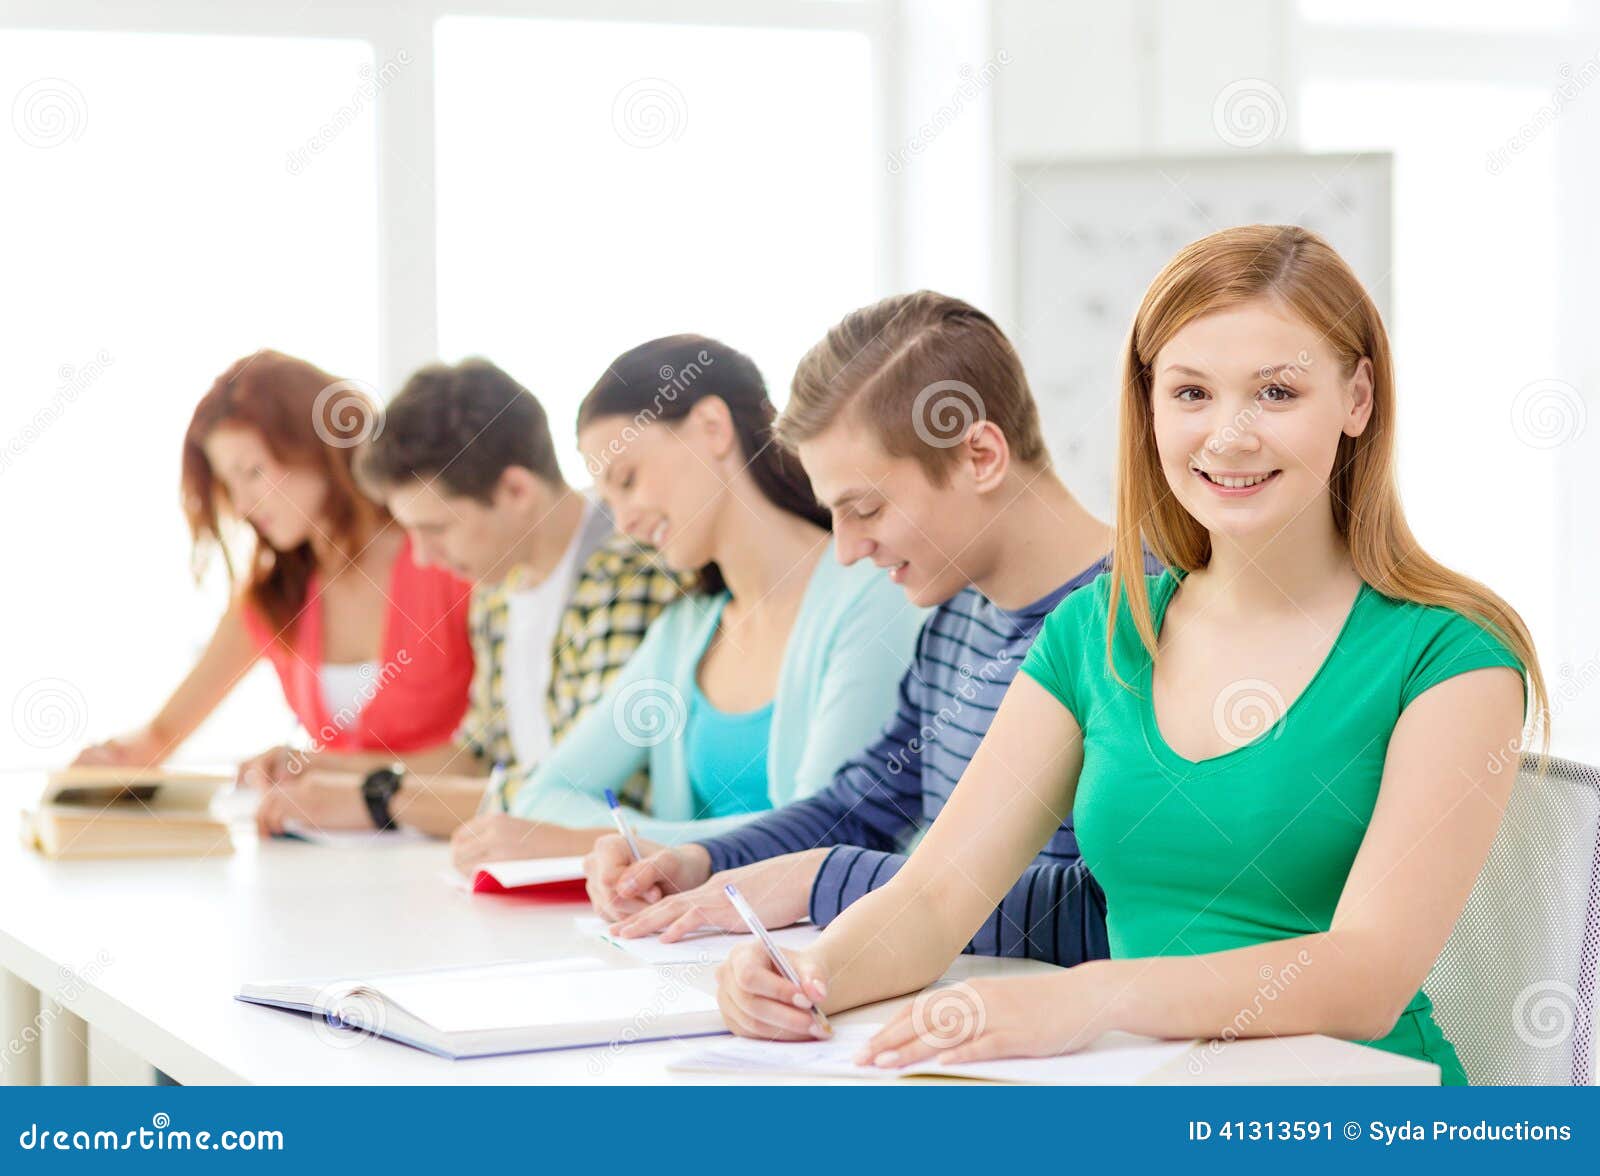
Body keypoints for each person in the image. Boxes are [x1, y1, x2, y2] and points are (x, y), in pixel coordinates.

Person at [715, 226, 1547, 1087]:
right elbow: (932, 900)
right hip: (1140, 1094)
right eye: (1191, 393)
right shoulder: (1096, 633)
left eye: (1275, 391)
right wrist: (807, 974)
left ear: (1357, 399)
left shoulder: (1453, 654)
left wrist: (1095, 1000)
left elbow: (1367, 975)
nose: (1227, 436)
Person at [587, 291, 1158, 968]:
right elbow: (867, 802)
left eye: (864, 508)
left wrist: (819, 881)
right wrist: (703, 859)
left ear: (980, 456)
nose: (846, 550)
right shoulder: (956, 619)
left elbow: (1108, 911)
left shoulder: (1148, 626)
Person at [451, 334, 921, 869]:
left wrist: (627, 846)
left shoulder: (873, 597)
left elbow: (829, 830)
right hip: (697, 942)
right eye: (608, 500)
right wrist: (645, 848)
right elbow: (545, 796)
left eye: (627, 480)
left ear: (712, 428)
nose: (623, 522)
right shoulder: (683, 634)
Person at [249, 358, 684, 840]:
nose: (421, 558)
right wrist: (323, 768)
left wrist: (379, 798)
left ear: (516, 490)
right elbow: (478, 758)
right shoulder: (498, 592)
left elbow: (587, 797)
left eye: (436, 529)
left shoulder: (629, 573)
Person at [73, 350, 472, 783]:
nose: (242, 505)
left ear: (314, 447)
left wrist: (325, 768)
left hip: (457, 843)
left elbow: (492, 756)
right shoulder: (274, 598)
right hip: (338, 849)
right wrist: (108, 762)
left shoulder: (447, 558)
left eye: (253, 472)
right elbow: (160, 736)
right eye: (229, 484)